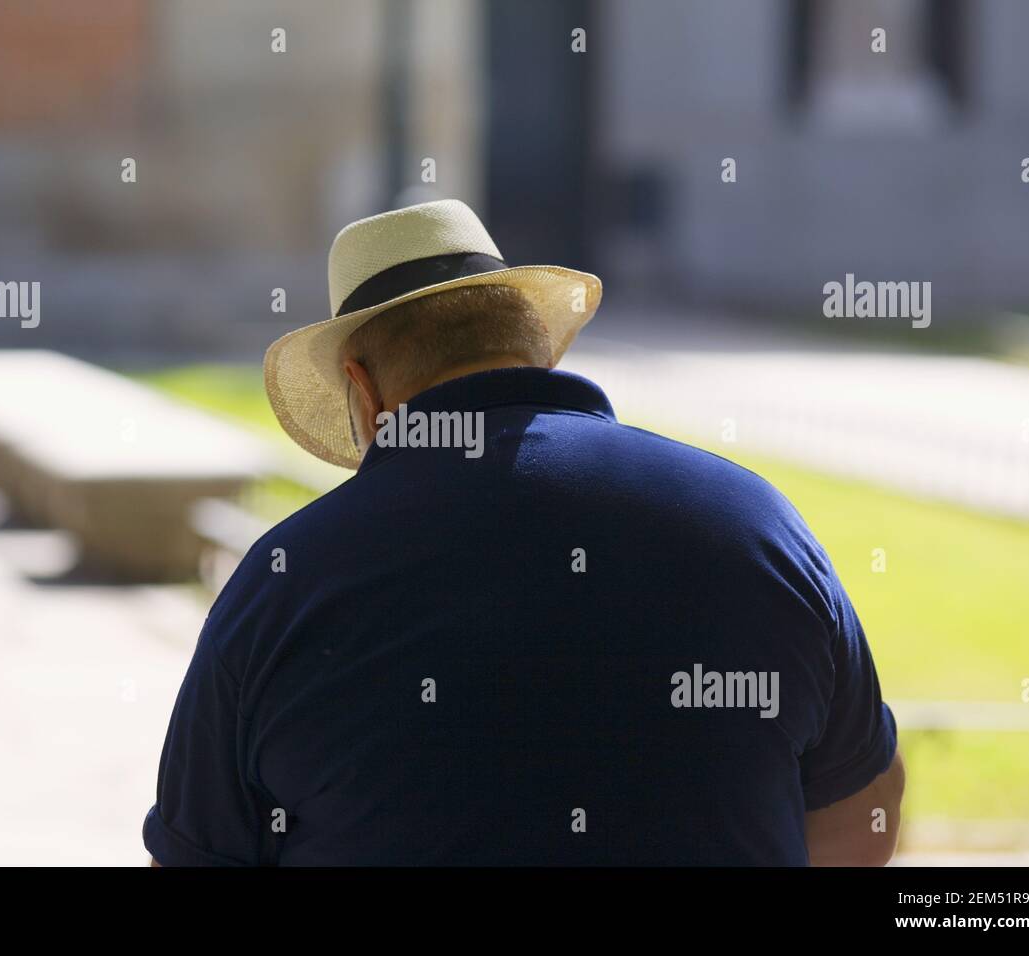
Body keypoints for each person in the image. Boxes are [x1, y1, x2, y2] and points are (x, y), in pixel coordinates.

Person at [142, 199, 903, 865]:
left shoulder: (283, 582)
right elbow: (863, 813)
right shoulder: (755, 524)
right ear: (537, 346)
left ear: (365, 394)